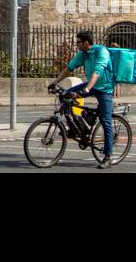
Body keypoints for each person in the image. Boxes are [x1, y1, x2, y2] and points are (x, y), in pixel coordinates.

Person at [49, 30, 116, 168]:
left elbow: (97, 72)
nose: (76, 44)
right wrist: (55, 83)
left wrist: (86, 89)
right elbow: (69, 68)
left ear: (86, 43)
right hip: (91, 85)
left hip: (104, 88)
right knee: (65, 95)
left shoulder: (101, 52)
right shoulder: (83, 54)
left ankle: (108, 156)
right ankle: (75, 128)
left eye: (79, 42)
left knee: (105, 121)